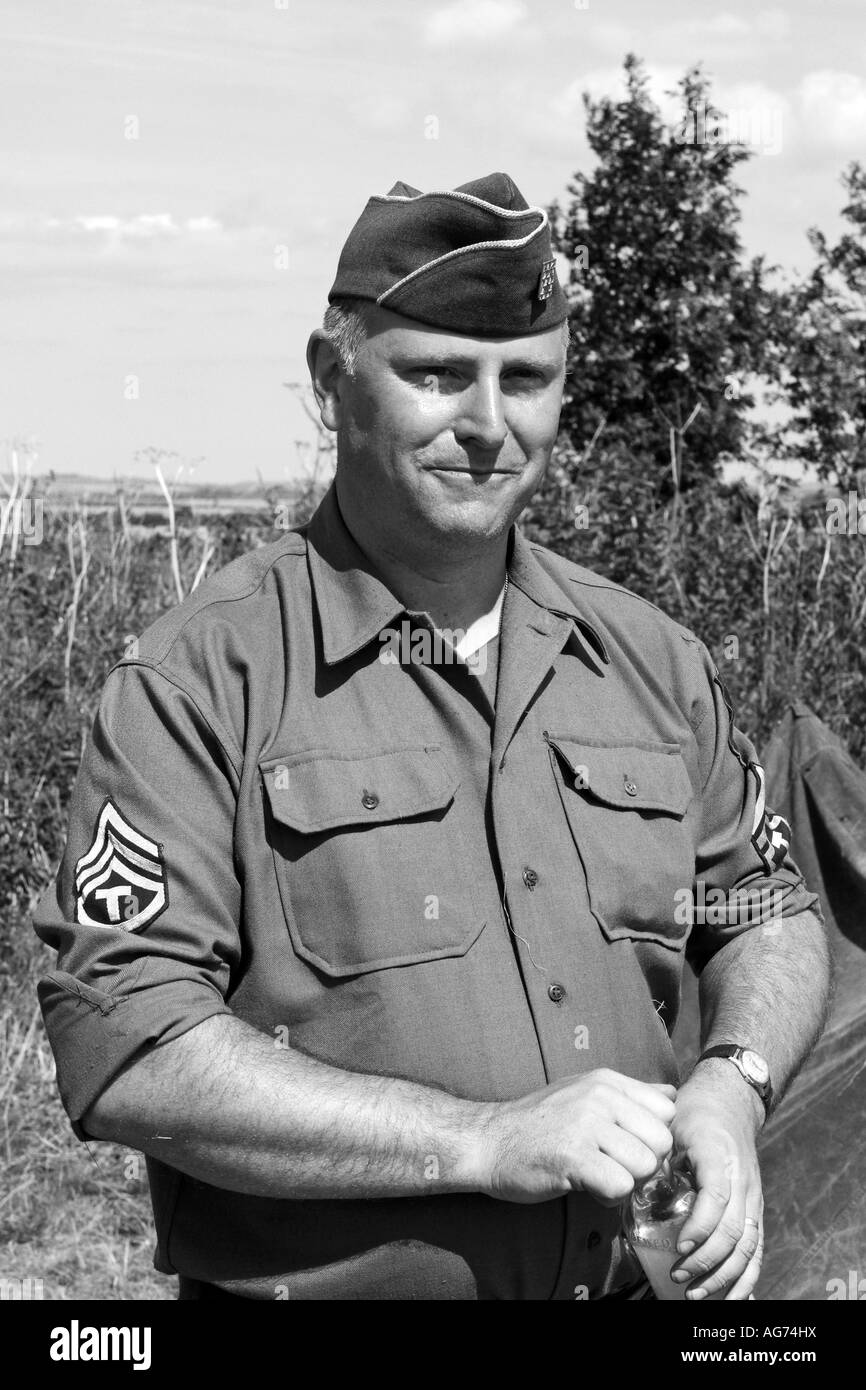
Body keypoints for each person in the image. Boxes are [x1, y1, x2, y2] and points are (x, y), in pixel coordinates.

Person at [33, 172, 830, 1302]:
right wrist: (481, 1138)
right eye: (437, 374)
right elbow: (129, 1046)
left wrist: (730, 1084)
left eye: (528, 379)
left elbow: (767, 912)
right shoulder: (200, 681)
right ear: (330, 379)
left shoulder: (650, 661)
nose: (487, 425)